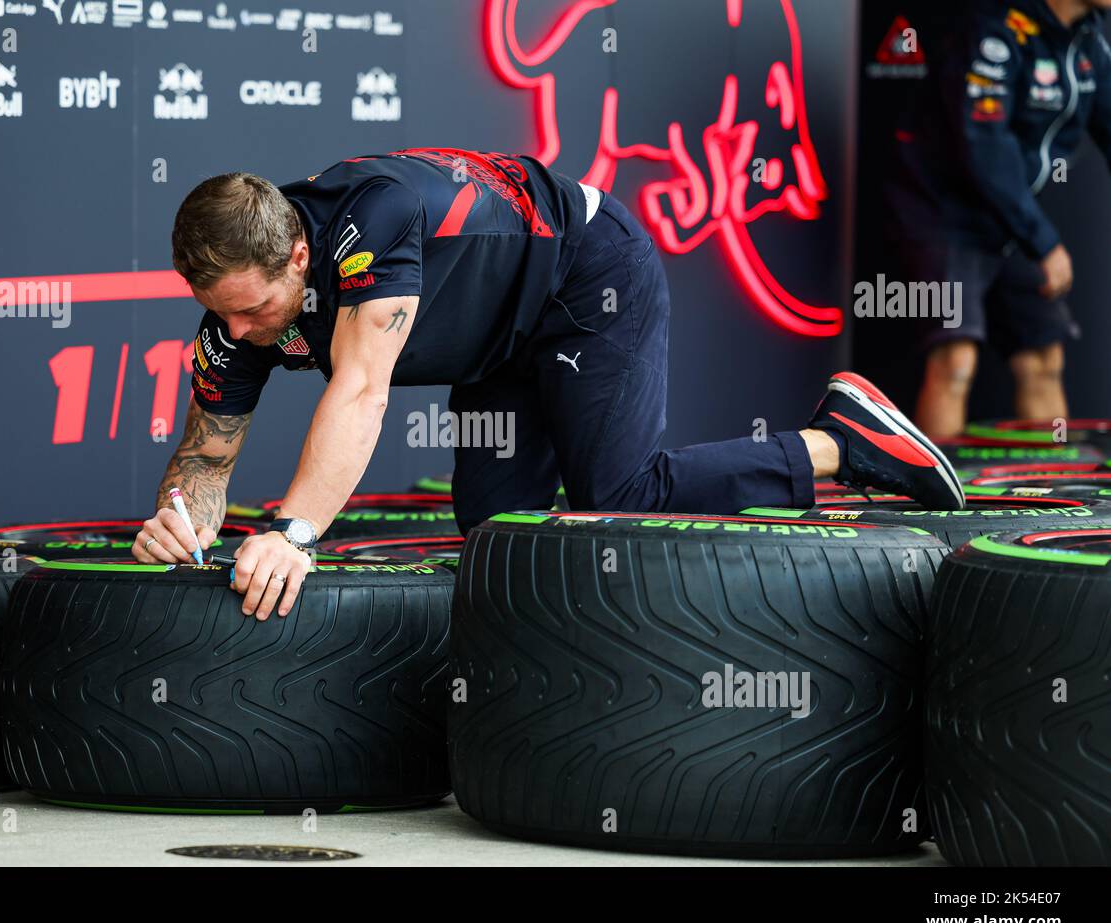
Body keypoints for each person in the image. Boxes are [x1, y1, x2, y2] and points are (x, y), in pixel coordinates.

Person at [136, 147, 963, 619]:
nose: (238, 333)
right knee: (500, 537)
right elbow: (206, 458)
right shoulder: (236, 315)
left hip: (586, 272)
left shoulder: (370, 224)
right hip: (496, 345)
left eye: (253, 309)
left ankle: (840, 440)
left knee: (620, 491)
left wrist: (295, 533)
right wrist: (180, 524)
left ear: (299, 257)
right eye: (220, 315)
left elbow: (361, 392)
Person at [887, 0, 1111, 437]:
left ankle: (1052, 494)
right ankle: (937, 499)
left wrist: (1033, 236)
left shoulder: (1088, 41)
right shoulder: (993, 30)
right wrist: (1043, 243)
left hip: (1010, 218)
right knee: (955, 361)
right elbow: (984, 149)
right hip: (944, 215)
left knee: (1043, 358)